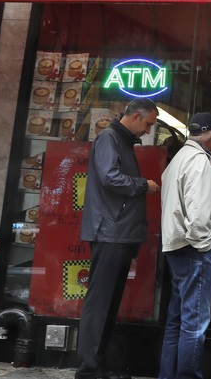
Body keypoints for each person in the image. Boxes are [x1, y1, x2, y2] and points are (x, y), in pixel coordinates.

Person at [76, 99, 161, 379]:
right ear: (135, 116)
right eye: (148, 124)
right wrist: (143, 185)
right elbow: (110, 178)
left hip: (119, 231)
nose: (148, 130)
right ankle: (89, 370)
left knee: (108, 303)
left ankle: (98, 367)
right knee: (100, 303)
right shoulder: (109, 138)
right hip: (110, 231)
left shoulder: (120, 140)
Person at [159, 112, 211, 379]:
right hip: (194, 249)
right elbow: (199, 212)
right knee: (195, 322)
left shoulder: (180, 158)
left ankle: (168, 375)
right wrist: (203, 245)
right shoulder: (199, 162)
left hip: (177, 246)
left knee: (177, 320)